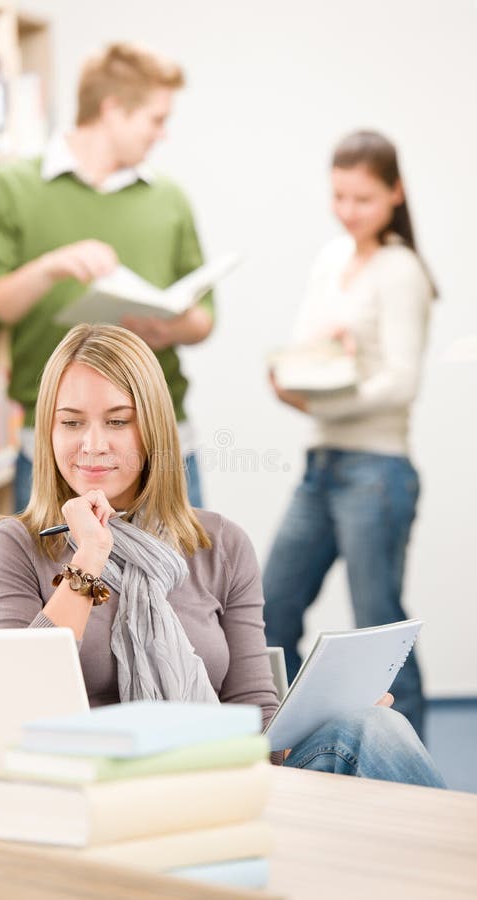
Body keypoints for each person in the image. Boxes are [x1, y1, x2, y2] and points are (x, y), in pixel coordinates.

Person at [0, 323, 444, 787]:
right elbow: (12, 697)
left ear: (152, 431)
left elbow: (254, 712)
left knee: (375, 728)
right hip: (94, 788)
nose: (93, 445)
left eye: (118, 421)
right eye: (71, 422)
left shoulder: (221, 543)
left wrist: (328, 714)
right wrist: (90, 556)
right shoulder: (14, 547)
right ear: (47, 431)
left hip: (215, 779)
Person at [0, 42, 213, 512]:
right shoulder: (11, 188)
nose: (162, 134)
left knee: (183, 583)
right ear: (112, 110)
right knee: (56, 584)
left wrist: (168, 326)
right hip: (56, 452)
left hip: (166, 447)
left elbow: (205, 318)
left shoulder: (168, 198)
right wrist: (49, 267)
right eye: (155, 119)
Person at [263, 130, 436, 739]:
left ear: (395, 193)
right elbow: (308, 354)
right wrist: (293, 380)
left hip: (377, 471)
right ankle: (283, 750)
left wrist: (331, 391)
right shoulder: (332, 258)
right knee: (270, 612)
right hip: (323, 466)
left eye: (363, 198)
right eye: (339, 196)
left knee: (378, 630)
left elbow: (402, 382)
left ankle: (407, 770)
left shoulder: (401, 269)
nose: (349, 211)